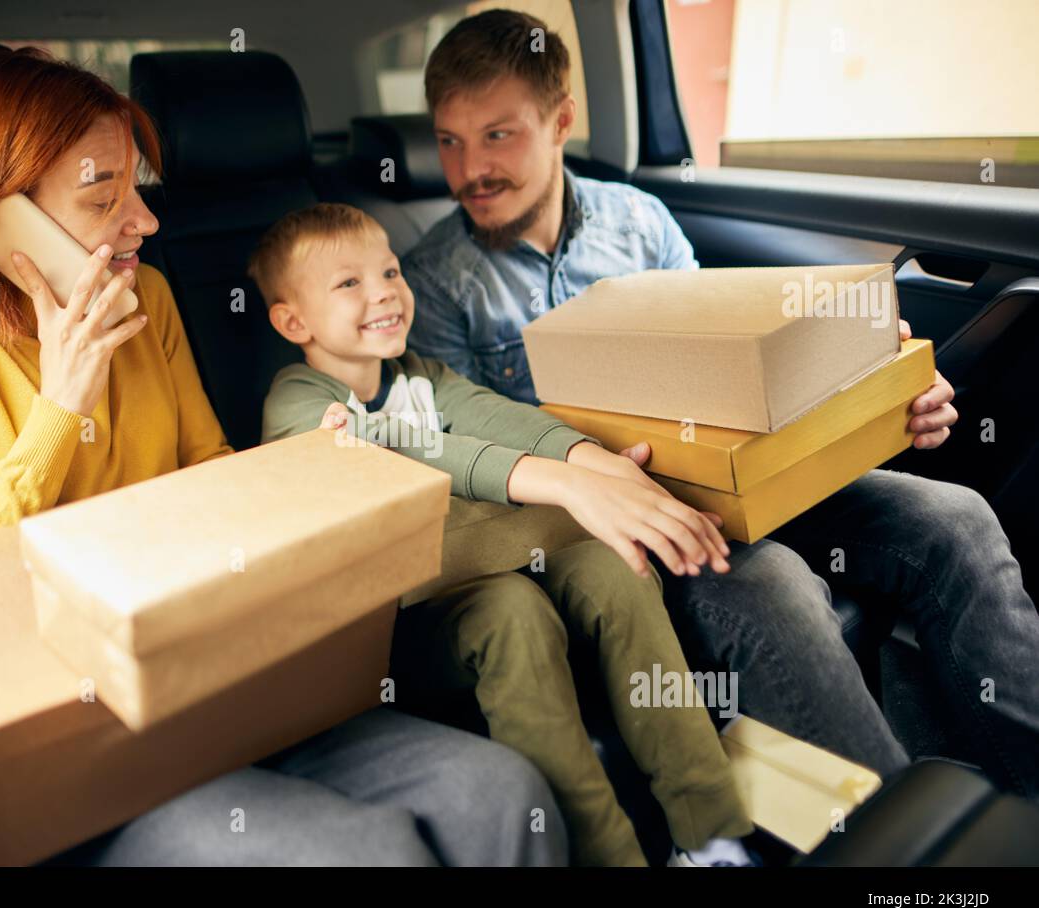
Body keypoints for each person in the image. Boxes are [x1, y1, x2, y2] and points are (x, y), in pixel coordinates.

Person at [0, 47, 568, 866]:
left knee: (504, 797)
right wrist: (58, 412)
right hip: (42, 724)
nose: (145, 223)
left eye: (137, 191)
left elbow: (210, 472)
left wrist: (311, 478)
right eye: (101, 198)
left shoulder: (145, 298)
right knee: (360, 853)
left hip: (191, 670)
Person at [402, 9, 1039, 797]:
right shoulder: (428, 286)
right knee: (775, 584)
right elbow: (467, 460)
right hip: (603, 526)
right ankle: (894, 854)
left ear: (562, 118)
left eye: (497, 135)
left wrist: (878, 390)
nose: (470, 171)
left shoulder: (639, 222)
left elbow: (735, 362)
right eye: (451, 141)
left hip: (739, 477)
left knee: (957, 519)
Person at [256, 202, 757, 866]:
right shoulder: (294, 403)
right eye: (349, 283)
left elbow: (499, 418)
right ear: (293, 321)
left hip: (474, 564)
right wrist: (559, 484)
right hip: (393, 627)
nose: (382, 291)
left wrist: (598, 464)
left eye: (390, 271)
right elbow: (411, 449)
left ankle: (710, 832)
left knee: (617, 568)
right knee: (512, 613)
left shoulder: (421, 376)